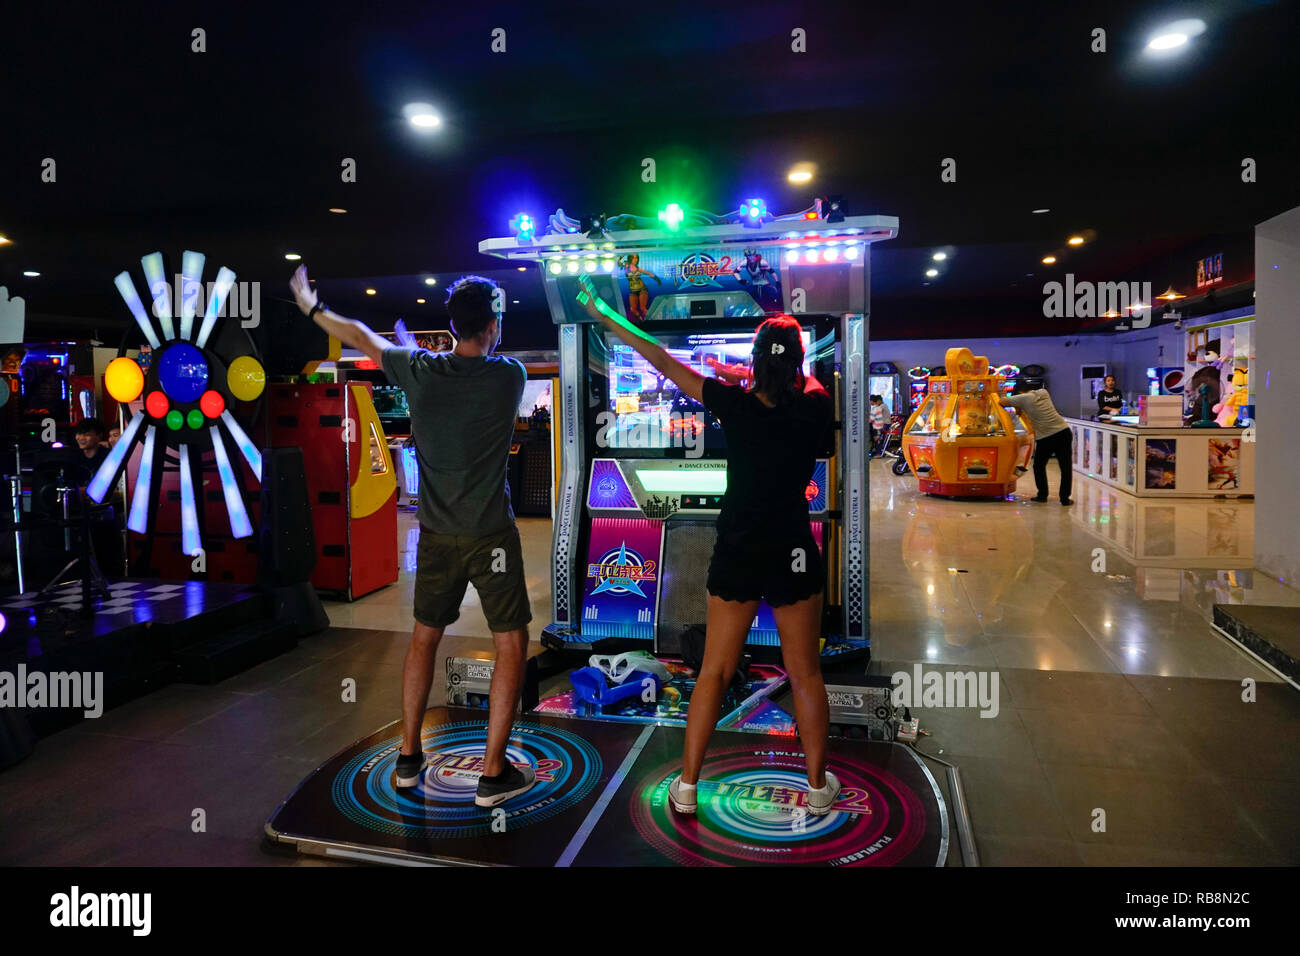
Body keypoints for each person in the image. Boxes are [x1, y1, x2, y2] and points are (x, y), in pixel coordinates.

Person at [576, 276, 841, 816]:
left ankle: (689, 787)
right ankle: (816, 789)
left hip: (739, 546)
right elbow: (804, 380)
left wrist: (607, 316)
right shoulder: (813, 404)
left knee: (715, 671)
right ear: (796, 362)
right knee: (805, 673)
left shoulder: (734, 405)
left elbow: (660, 359)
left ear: (754, 362)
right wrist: (768, 368)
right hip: (791, 547)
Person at [289, 265, 536, 807]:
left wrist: (311, 307)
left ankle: (407, 757)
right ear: (493, 326)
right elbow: (466, 364)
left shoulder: (417, 372)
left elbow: (359, 336)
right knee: (510, 642)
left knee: (424, 638)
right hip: (490, 535)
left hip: (435, 535)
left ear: (450, 324)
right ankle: (493, 774)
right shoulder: (509, 376)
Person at [1004, 380, 1073, 505]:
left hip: (1046, 437)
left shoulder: (1023, 398)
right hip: (1063, 432)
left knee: (1039, 466)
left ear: (1019, 393)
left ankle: (1042, 495)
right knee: (1065, 467)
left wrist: (1017, 405)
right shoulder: (1043, 392)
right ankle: (1065, 499)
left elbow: (1001, 401)